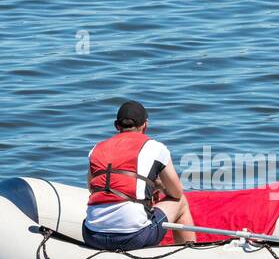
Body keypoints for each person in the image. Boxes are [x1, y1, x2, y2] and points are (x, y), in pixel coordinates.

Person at [82, 101, 196, 250]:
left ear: (116, 126)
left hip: (92, 235)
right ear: (145, 125)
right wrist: (159, 186)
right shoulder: (156, 148)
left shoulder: (96, 149)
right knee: (181, 202)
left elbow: (92, 188)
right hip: (132, 237)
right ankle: (188, 256)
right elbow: (176, 192)